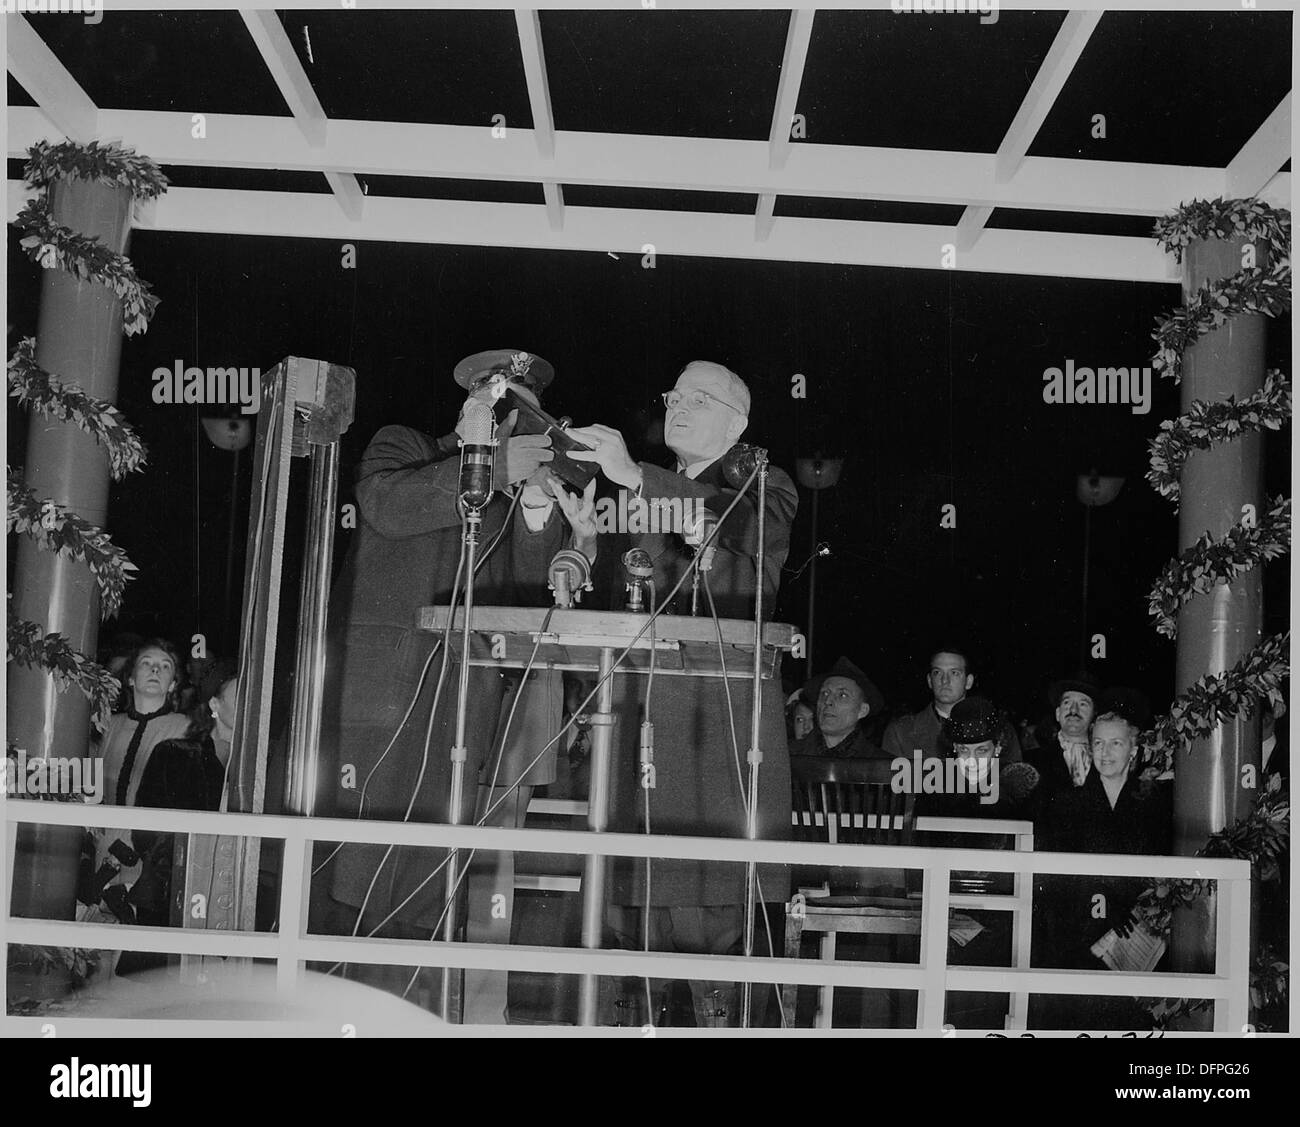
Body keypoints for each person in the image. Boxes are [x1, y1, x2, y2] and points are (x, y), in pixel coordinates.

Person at [313, 351, 595, 1006]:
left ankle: (411, 1007)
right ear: (472, 403)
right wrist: (492, 467)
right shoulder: (406, 445)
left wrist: (532, 502)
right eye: (500, 401)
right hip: (385, 698)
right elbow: (385, 504)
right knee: (355, 865)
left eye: (523, 407)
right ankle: (336, 1003)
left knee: (434, 873)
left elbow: (526, 584)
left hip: (463, 704)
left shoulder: (509, 485)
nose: (510, 418)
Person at [569, 359, 797, 1027]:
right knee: (622, 955)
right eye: (675, 395)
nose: (680, 406)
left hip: (715, 758)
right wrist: (583, 540)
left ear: (738, 423)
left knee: (717, 954)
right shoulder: (633, 493)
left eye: (701, 399)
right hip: (633, 744)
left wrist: (636, 475)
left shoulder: (762, 481)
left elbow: (744, 531)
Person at [1033, 709, 1172, 1029]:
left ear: (1133, 750)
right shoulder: (1068, 803)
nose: (1105, 753)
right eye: (1098, 743)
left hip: (1136, 936)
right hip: (1082, 937)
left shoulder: (1153, 803)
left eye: (1116, 744)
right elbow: (1057, 877)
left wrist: (1138, 909)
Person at [882, 645, 1021, 764]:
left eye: (954, 673)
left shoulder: (1000, 730)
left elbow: (1011, 787)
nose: (945, 680)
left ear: (968, 681)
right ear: (930, 681)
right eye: (937, 672)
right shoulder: (901, 733)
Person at [790, 657, 886, 758]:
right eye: (825, 693)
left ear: (862, 711)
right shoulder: (786, 756)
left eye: (842, 695)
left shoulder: (880, 765)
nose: (827, 701)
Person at [1027, 672, 1101, 795]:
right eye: (1067, 703)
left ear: (1094, 715)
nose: (1073, 710)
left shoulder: (1109, 760)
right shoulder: (1033, 761)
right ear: (1057, 713)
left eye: (1083, 704)